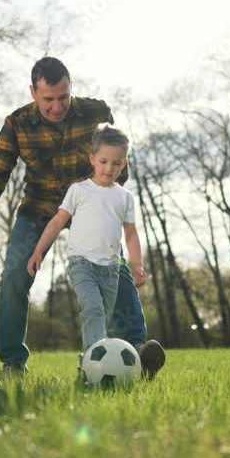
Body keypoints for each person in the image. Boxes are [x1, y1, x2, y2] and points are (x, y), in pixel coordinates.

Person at [0, 56, 165, 378]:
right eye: (48, 99)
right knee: (15, 274)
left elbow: (117, 160)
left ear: (71, 88)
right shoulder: (17, 124)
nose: (57, 107)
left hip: (89, 201)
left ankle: (137, 350)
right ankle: (13, 364)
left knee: (112, 265)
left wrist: (102, 200)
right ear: (33, 92)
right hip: (39, 208)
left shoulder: (96, 113)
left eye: (63, 97)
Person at [26, 126, 145, 378]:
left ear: (124, 164)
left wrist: (136, 265)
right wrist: (38, 251)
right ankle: (92, 365)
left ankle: (95, 365)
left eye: (116, 163)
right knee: (93, 309)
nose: (109, 168)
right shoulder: (79, 190)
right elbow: (57, 222)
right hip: (82, 263)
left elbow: (131, 234)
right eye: (103, 161)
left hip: (111, 268)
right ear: (92, 159)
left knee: (104, 317)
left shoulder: (125, 197)